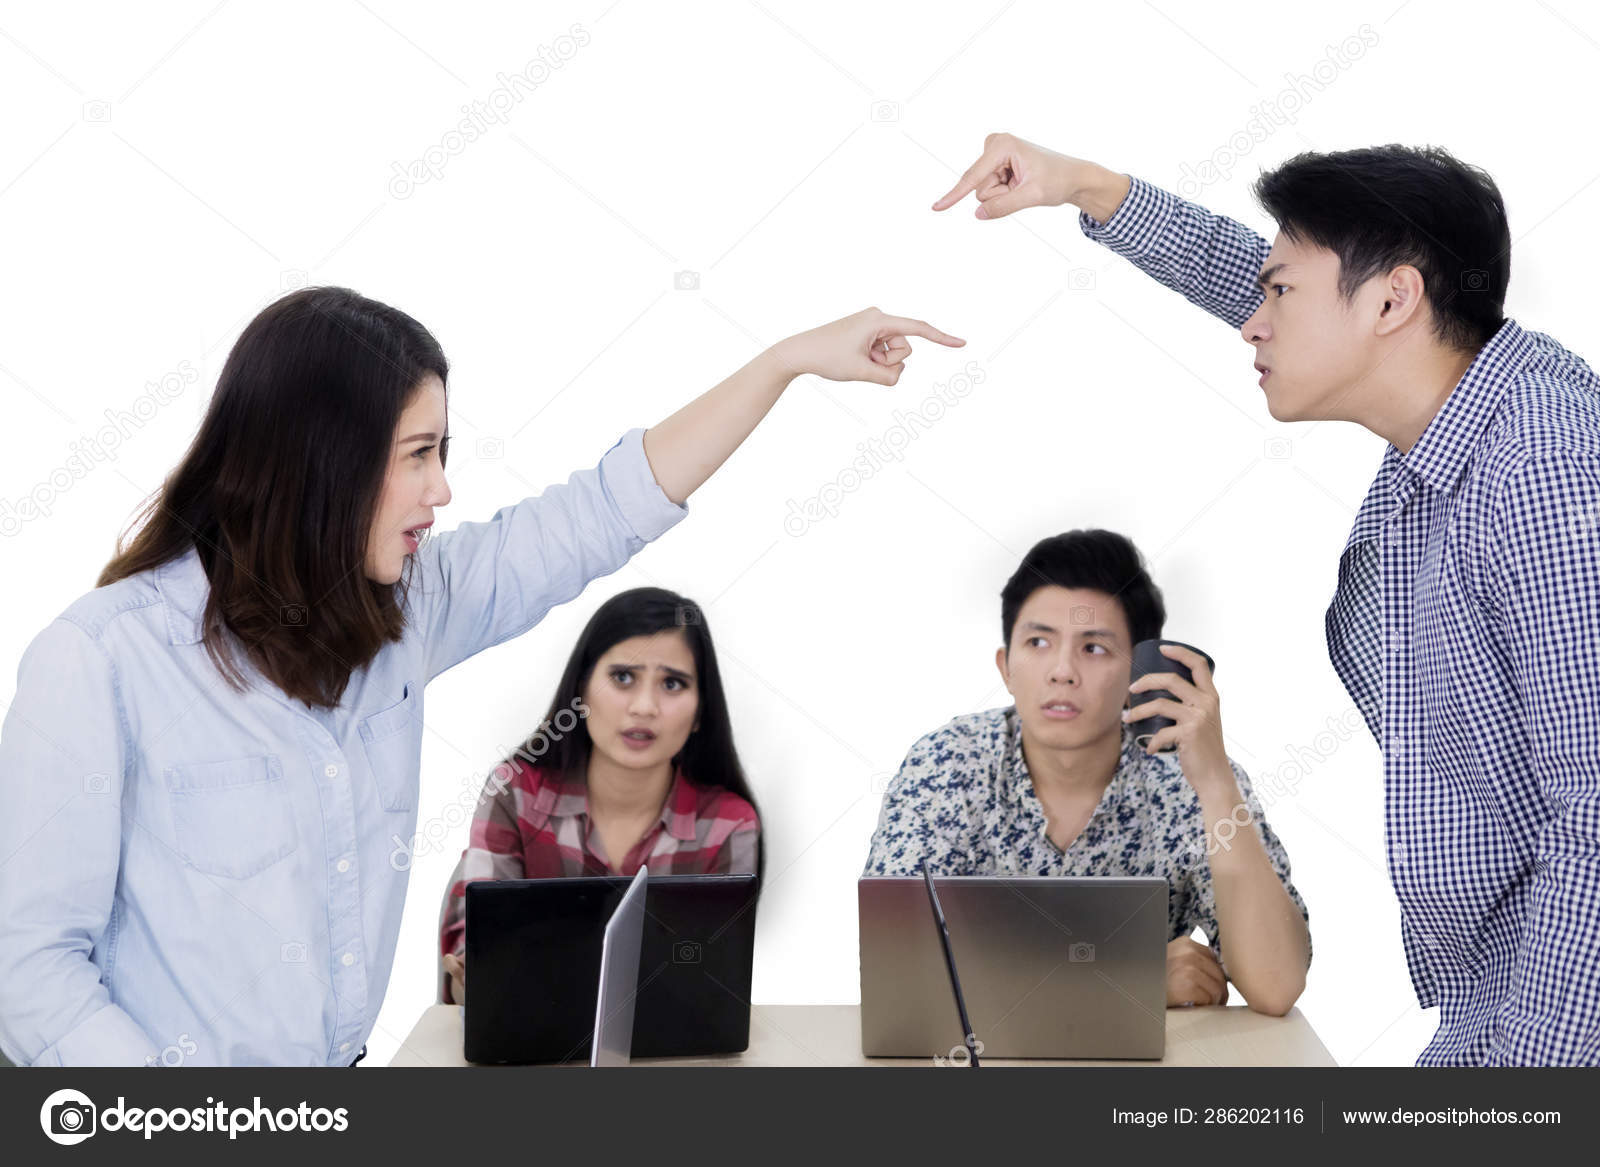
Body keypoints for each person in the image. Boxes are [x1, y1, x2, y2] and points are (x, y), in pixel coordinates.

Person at [0, 286, 961, 1066]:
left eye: (442, 454)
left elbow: (603, 509)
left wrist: (785, 361)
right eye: (419, 455)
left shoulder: (404, 612)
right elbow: (27, 969)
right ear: (320, 464)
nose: (442, 490)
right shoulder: (100, 661)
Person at [932, 134, 1600, 1065]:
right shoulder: (1466, 419)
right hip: (1502, 1005)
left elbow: (1597, 813)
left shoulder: (1544, 469)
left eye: (1280, 291)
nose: (1254, 318)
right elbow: (1258, 278)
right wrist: (1091, 187)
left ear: (1394, 300)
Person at [863, 529, 1310, 1015]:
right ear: (1006, 667)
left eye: (1094, 648)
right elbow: (899, 971)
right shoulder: (947, 764)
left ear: (1137, 677)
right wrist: (1127, 979)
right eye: (1038, 642)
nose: (1062, 671)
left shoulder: (1188, 778)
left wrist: (1216, 780)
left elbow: (1275, 984)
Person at [437, 586, 759, 1006]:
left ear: (701, 712)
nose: (644, 706)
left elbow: (714, 986)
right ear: (582, 690)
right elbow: (474, 964)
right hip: (528, 1040)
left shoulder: (730, 824)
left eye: (673, 683)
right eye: (623, 677)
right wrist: (473, 977)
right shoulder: (515, 793)